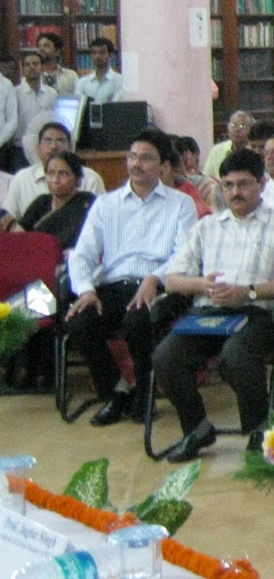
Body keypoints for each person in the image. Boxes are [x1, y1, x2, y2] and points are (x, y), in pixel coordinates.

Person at [142, 147, 274, 460]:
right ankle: (196, 429)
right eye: (229, 185)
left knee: (235, 356)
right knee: (166, 356)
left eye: (244, 184)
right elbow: (172, 279)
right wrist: (203, 284)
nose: (236, 192)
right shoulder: (208, 227)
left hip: (258, 313)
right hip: (208, 312)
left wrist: (247, 292)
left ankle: (259, 430)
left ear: (261, 184)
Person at [63, 128, 199, 425]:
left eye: (146, 158)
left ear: (163, 166)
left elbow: (185, 255)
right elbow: (82, 254)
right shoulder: (105, 204)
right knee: (80, 322)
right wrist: (86, 290)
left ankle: (145, 393)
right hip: (114, 285)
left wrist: (156, 278)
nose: (136, 164)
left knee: (137, 320)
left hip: (161, 287)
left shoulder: (180, 204)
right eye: (132, 157)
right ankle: (117, 392)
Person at [2, 121, 106, 217]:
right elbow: (8, 218)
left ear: (71, 148)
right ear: (38, 148)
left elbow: (101, 217)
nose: (53, 147)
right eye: (48, 141)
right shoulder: (22, 178)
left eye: (60, 141)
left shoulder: (90, 177)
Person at [8, 149, 96, 248]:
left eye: (63, 174)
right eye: (51, 173)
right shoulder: (42, 202)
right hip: (39, 257)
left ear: (77, 178)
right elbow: (18, 237)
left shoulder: (87, 202)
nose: (55, 180)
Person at [14, 50, 58, 144]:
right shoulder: (14, 93)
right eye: (27, 64)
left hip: (45, 146)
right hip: (20, 147)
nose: (32, 67)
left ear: (42, 67)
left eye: (35, 64)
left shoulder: (52, 93)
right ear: (22, 69)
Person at [76, 36, 124, 103]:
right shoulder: (82, 82)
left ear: (111, 55)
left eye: (102, 53)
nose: (97, 56)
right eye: (94, 53)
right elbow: (79, 107)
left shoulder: (120, 81)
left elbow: (116, 106)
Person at [34, 32, 77, 96]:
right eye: (39, 46)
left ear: (57, 51)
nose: (41, 49)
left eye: (46, 46)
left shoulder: (70, 76)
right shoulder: (33, 76)